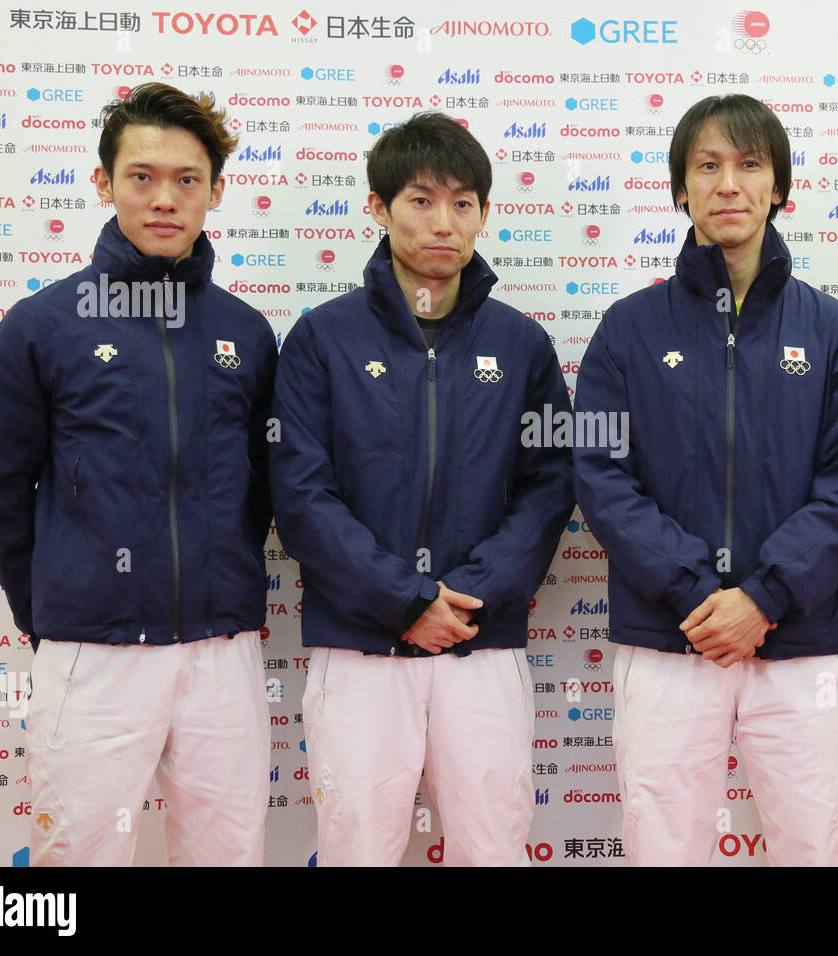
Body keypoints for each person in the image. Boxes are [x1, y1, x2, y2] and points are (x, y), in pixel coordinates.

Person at [0, 83, 278, 865]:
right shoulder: (42, 325)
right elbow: (1, 484)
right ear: (103, 183)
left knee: (226, 854)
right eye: (141, 176)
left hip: (221, 650)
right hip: (91, 650)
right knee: (79, 858)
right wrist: (50, 603)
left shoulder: (244, 331)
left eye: (186, 179)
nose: (164, 198)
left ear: (215, 190)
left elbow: (264, 485)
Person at [572, 94, 838, 866]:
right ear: (681, 189)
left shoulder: (834, 329)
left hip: (801, 641)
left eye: (749, 165)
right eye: (707, 166)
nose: (729, 185)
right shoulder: (628, 328)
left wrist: (766, 597)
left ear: (780, 186)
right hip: (671, 638)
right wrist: (694, 594)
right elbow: (602, 475)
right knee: (664, 846)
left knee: (818, 845)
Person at [269, 112, 574, 867]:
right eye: (420, 200)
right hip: (363, 648)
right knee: (357, 848)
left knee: (493, 847)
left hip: (480, 640)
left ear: (484, 213)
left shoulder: (521, 343)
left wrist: (467, 598)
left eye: (463, 203)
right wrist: (404, 600)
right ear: (378, 207)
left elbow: (549, 486)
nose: (444, 222)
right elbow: (301, 492)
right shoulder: (323, 338)